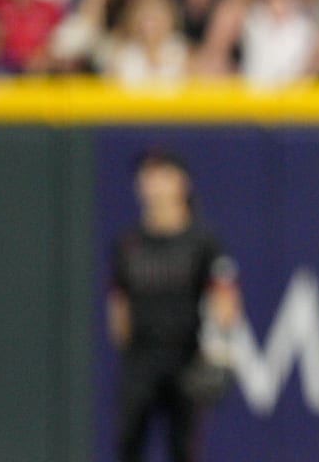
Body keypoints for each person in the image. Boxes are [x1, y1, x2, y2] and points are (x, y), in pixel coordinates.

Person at [108, 149, 241, 462]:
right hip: (141, 358)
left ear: (182, 183)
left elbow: (224, 296)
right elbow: (118, 304)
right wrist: (127, 351)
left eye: (162, 174)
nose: (153, 183)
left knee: (182, 450)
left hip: (185, 357)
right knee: (128, 443)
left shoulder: (202, 241)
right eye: (147, 175)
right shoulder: (127, 243)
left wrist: (219, 348)